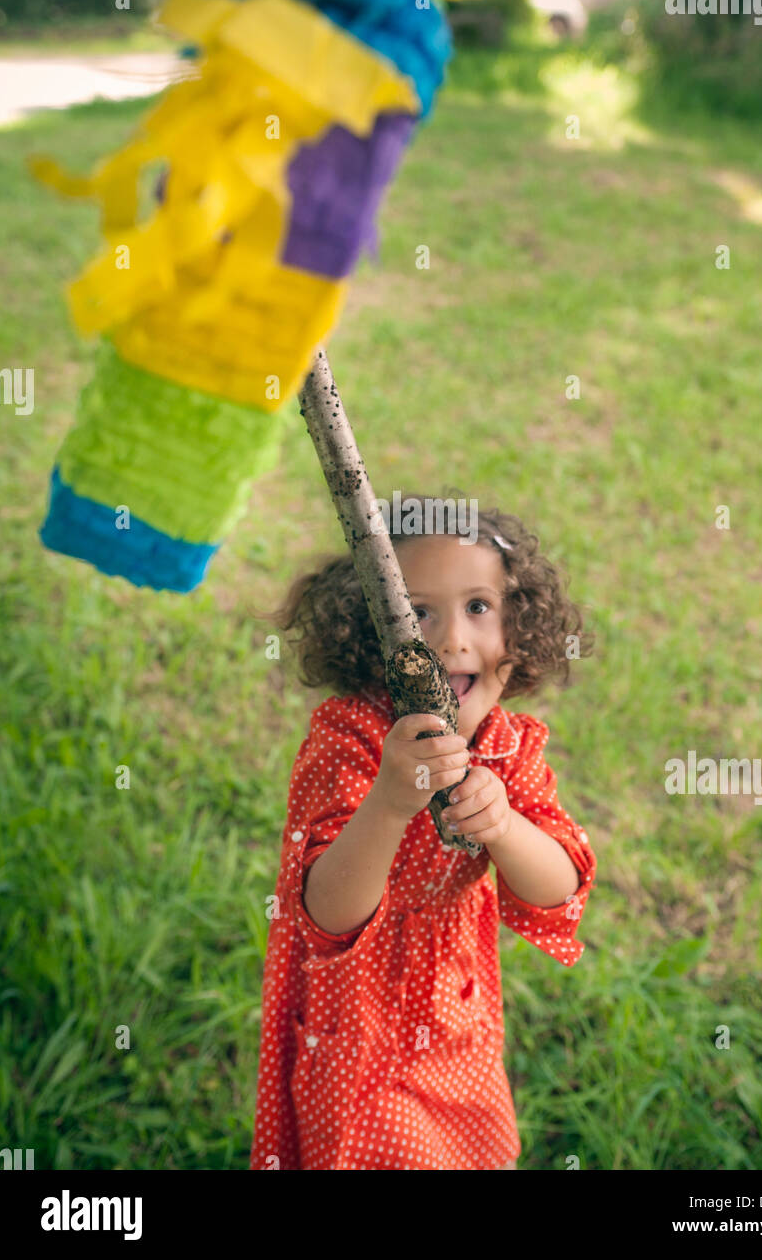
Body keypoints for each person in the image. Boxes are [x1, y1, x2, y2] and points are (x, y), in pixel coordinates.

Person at [249, 494, 597, 1170]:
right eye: (417, 613)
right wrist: (387, 802)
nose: (449, 640)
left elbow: (560, 891)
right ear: (367, 631)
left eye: (478, 608)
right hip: (354, 1024)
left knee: (473, 1153)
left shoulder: (508, 747)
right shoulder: (350, 740)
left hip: (455, 1018)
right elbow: (326, 913)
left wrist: (505, 825)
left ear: (517, 630)